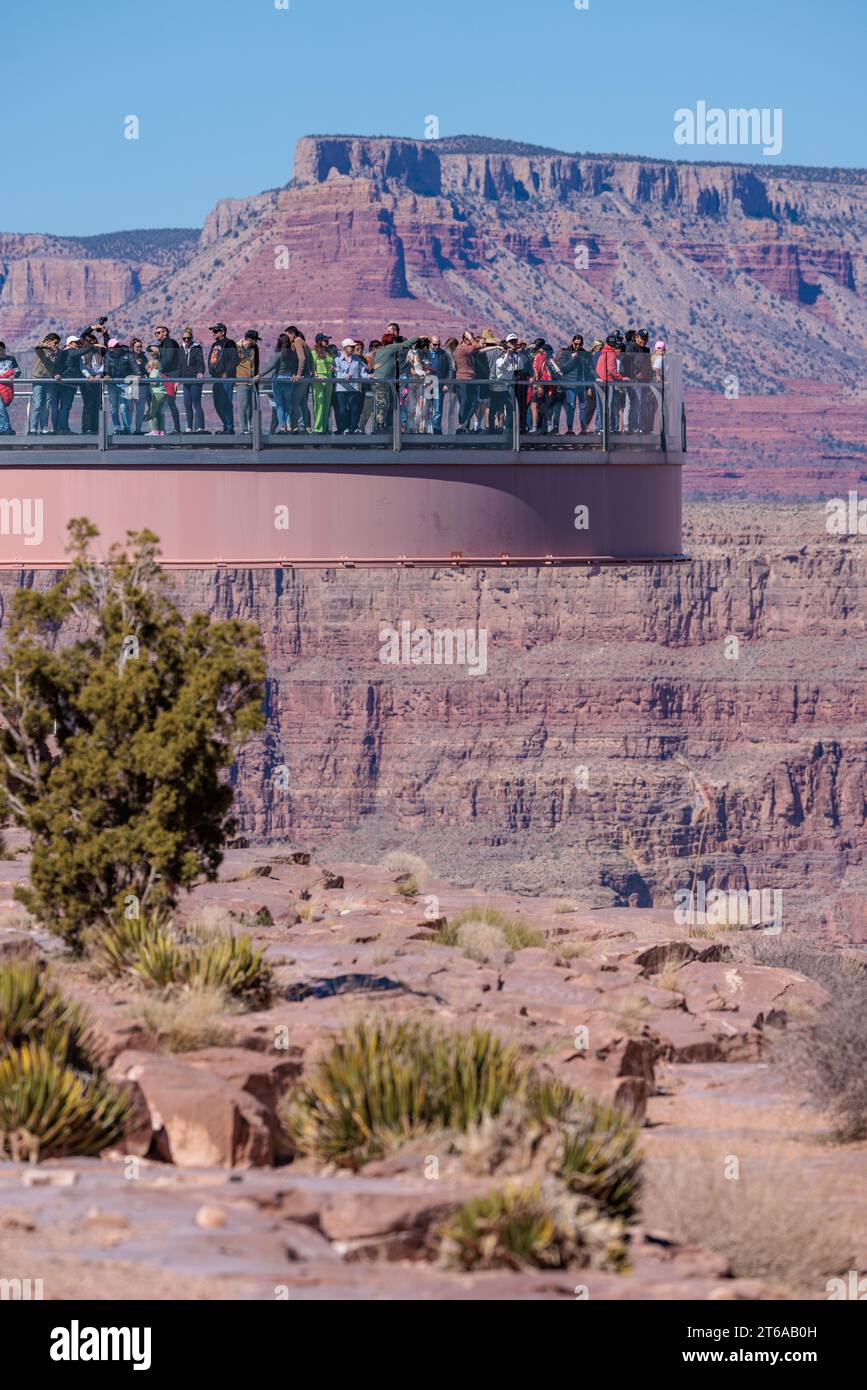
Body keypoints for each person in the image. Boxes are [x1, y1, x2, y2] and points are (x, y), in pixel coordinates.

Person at [371, 333, 421, 433]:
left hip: (383, 381)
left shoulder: (383, 350)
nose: (395, 342)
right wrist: (418, 337)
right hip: (381, 382)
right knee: (381, 403)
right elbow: (405, 344)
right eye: (394, 340)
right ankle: (379, 427)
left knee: (386, 403)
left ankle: (382, 426)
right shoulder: (390, 348)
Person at [207, 322, 239, 434]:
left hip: (226, 378)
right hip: (216, 378)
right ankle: (226, 424)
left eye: (215, 331)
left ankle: (229, 428)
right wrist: (210, 370)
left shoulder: (229, 343)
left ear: (223, 332)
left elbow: (235, 359)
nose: (213, 334)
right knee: (217, 403)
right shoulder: (214, 345)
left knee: (226, 403)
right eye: (213, 331)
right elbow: (211, 359)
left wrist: (226, 372)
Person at [333, 337, 368, 434]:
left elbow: (362, 373)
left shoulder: (357, 360)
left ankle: (354, 428)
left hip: (354, 387)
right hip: (341, 388)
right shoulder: (337, 360)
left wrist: (369, 376)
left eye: (353, 347)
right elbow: (337, 373)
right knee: (342, 410)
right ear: (344, 347)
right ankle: (345, 428)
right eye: (351, 347)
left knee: (355, 409)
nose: (353, 348)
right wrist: (345, 376)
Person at [54, 334, 87, 433]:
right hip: (68, 383)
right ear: (70, 343)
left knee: (63, 406)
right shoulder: (70, 352)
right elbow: (81, 351)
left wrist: (91, 328)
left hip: (66, 382)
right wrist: (92, 347)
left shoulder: (65, 351)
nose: (77, 344)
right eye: (75, 343)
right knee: (66, 406)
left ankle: (62, 427)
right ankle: (63, 428)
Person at [595, 333, 627, 435]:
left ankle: (599, 428)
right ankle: (605, 428)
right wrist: (621, 378)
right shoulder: (612, 354)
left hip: (600, 381)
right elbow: (612, 370)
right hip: (608, 383)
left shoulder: (603, 352)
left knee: (600, 407)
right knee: (608, 406)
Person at [30, 332, 60, 434]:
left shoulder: (57, 352)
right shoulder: (41, 350)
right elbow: (36, 346)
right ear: (49, 342)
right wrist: (46, 344)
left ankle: (44, 428)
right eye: (55, 342)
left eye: (58, 343)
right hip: (38, 379)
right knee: (37, 404)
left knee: (46, 405)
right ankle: (33, 428)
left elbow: (56, 366)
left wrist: (56, 373)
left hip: (49, 380)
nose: (57, 345)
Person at [153, 325, 181, 433]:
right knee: (162, 403)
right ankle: (161, 429)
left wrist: (158, 352)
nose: (156, 335)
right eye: (155, 333)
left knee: (170, 402)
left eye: (158, 332)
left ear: (165, 333)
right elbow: (149, 348)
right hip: (165, 376)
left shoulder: (169, 342)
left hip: (170, 376)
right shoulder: (163, 344)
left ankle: (177, 428)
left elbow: (168, 361)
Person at [177, 327, 206, 432]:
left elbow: (201, 362)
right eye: (184, 338)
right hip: (185, 380)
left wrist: (200, 372)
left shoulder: (197, 347)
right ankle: (189, 427)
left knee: (196, 403)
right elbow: (179, 365)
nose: (186, 341)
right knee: (187, 403)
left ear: (191, 338)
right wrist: (177, 380)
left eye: (188, 338)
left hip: (195, 379)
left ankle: (201, 427)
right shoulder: (181, 349)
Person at [453, 331, 481, 433]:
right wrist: (470, 337)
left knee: (472, 403)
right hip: (463, 379)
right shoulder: (463, 348)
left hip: (470, 378)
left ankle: (465, 425)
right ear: (465, 340)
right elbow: (477, 346)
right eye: (469, 340)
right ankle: (462, 424)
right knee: (465, 401)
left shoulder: (466, 349)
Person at [283, 326, 310, 432]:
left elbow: (302, 358)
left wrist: (298, 374)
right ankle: (304, 425)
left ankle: (300, 426)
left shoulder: (298, 342)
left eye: (287, 335)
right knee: (302, 402)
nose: (287, 337)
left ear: (293, 334)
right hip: (307, 375)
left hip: (302, 377)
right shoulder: (303, 342)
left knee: (295, 400)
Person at [104, 337, 133, 434]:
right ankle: (117, 428)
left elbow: (133, 365)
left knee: (123, 407)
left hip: (124, 384)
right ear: (110, 348)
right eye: (114, 346)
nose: (117, 347)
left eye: (118, 345)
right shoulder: (108, 355)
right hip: (112, 385)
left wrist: (137, 374)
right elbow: (106, 367)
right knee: (113, 407)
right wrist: (106, 374)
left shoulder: (127, 353)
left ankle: (127, 428)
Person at [308, 332, 334, 433]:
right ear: (319, 341)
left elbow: (333, 365)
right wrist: (315, 375)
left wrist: (333, 368)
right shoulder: (313, 353)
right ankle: (318, 428)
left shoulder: (329, 353)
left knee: (327, 405)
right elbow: (312, 366)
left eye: (328, 339)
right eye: (325, 340)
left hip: (329, 380)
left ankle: (325, 427)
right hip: (318, 381)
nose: (327, 341)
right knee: (319, 404)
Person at [79, 332, 104, 434]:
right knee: (88, 404)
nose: (94, 344)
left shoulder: (99, 354)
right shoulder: (83, 354)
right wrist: (88, 376)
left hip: (97, 380)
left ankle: (95, 427)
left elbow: (103, 364)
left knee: (97, 404)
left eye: (95, 342)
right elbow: (82, 367)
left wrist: (99, 374)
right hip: (87, 381)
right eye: (92, 343)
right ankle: (87, 427)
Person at [236, 329, 260, 434]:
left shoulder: (255, 348)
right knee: (243, 405)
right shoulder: (236, 348)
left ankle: (253, 429)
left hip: (253, 381)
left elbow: (257, 363)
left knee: (253, 406)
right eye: (255, 340)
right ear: (250, 339)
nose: (257, 342)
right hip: (241, 381)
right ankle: (244, 429)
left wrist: (258, 374)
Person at [126, 338, 150, 434]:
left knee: (140, 409)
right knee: (130, 409)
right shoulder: (128, 357)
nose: (139, 348)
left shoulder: (143, 357)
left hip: (142, 385)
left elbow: (147, 369)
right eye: (137, 346)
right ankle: (128, 429)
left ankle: (138, 429)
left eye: (140, 346)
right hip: (131, 386)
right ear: (132, 347)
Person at [145, 347, 168, 435]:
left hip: (156, 394)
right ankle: (161, 430)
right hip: (163, 394)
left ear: (152, 367)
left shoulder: (154, 372)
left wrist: (147, 379)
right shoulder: (159, 372)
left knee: (152, 412)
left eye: (148, 368)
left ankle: (154, 430)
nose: (147, 370)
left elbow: (154, 382)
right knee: (160, 413)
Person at [0, 343, 21, 435]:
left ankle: (5, 428)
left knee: (2, 408)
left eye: (0, 349)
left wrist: (14, 375)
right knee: (0, 408)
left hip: (7, 387)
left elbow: (18, 371)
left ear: (4, 349)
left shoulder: (11, 359)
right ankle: (6, 428)